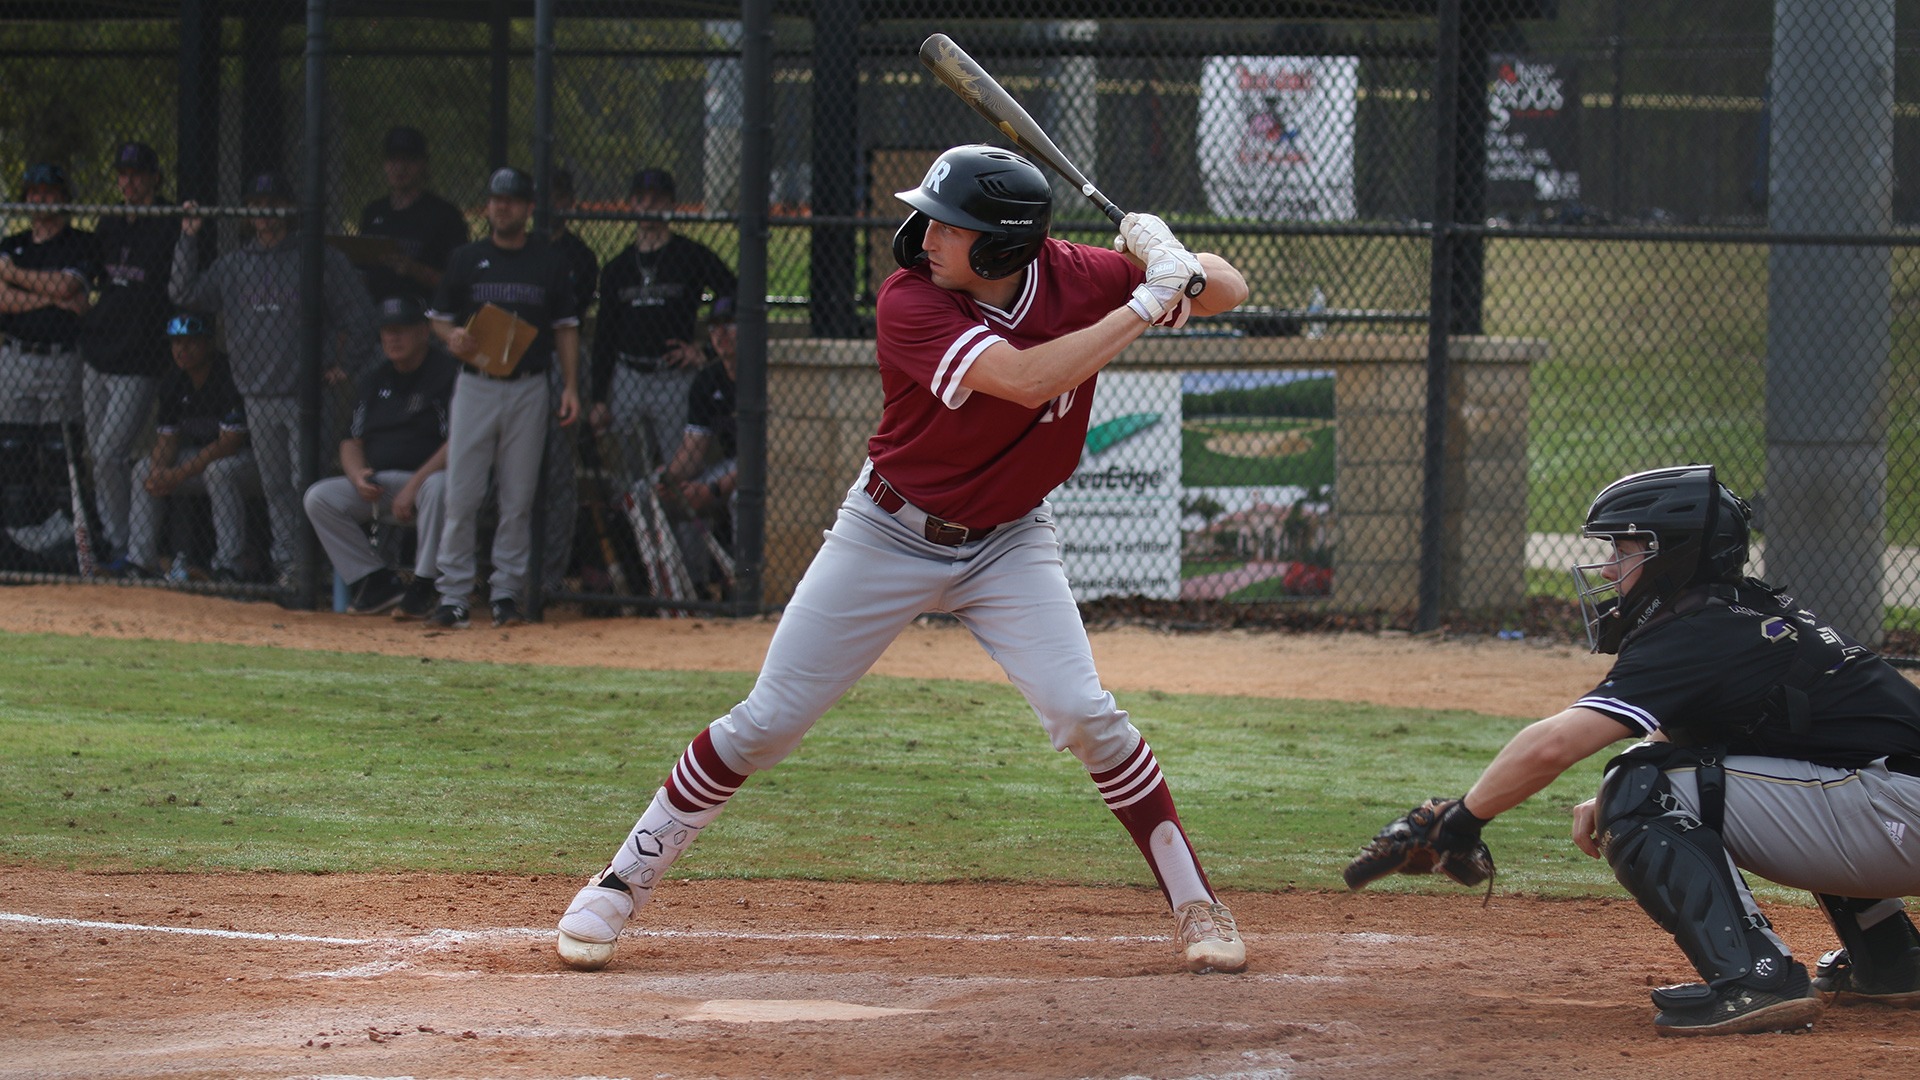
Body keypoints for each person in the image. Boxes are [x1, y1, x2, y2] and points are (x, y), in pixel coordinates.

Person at [556, 145, 1253, 975]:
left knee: (1083, 711)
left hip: (1008, 539)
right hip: (886, 532)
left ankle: (1197, 904)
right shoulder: (909, 301)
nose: (923, 234)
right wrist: (1145, 299)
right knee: (768, 721)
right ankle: (620, 883)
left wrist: (1173, 256)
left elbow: (1231, 287)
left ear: (1001, 246)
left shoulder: (1080, 277)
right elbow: (1028, 380)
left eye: (949, 225)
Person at [1410, 464, 1920, 1036]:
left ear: (1670, 554)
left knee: (1639, 785)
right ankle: (1892, 959)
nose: (1607, 568)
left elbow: (1556, 743)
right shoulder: (1734, 613)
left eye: (1623, 549)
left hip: (1898, 812)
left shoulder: (1698, 629)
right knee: (1677, 775)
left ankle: (1755, 979)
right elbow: (1711, 739)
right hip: (1898, 804)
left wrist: (1462, 817)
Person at [171, 170, 378, 586]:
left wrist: (346, 366)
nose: (264, 216)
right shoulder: (235, 264)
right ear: (246, 212)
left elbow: (361, 316)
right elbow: (183, 293)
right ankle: (289, 565)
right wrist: (188, 237)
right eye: (256, 208)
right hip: (256, 394)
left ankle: (317, 563)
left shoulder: (315, 258)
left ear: (289, 208)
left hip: (305, 394)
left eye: (272, 207)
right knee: (276, 486)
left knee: (309, 481)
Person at [427, 166, 581, 630]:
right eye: (496, 199)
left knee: (518, 496)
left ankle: (505, 595)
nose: (502, 206)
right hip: (475, 385)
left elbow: (567, 328)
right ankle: (453, 595)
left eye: (512, 200)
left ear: (529, 208)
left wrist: (570, 385)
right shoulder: (467, 258)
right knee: (462, 493)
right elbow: (439, 317)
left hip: (529, 386)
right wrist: (451, 336)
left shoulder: (547, 261)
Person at [302, 295, 456, 616]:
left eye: (401, 330)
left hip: (431, 483)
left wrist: (414, 486)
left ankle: (424, 586)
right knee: (319, 498)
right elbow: (351, 441)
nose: (392, 338)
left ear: (423, 332)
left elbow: (457, 444)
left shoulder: (446, 374)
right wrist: (358, 475)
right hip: (383, 486)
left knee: (438, 488)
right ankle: (375, 582)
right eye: (386, 331)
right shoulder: (375, 379)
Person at [588, 166, 735, 474]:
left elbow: (734, 293)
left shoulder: (689, 255)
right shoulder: (618, 268)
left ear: (670, 205)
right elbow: (604, 335)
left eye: (657, 199)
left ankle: (681, 523)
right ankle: (634, 522)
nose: (648, 206)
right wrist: (599, 397)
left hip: (673, 377)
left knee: (679, 468)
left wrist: (706, 349)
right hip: (628, 373)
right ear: (631, 204)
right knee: (623, 471)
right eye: (641, 199)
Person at [82, 143, 178, 572]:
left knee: (109, 453)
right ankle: (114, 543)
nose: (128, 182)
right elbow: (93, 276)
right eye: (123, 174)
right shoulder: (110, 222)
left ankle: (123, 545)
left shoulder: (169, 222)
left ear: (155, 177)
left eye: (137, 174)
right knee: (98, 455)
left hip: (139, 358)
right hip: (99, 352)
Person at [0, 162, 96, 531]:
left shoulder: (79, 243)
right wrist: (52, 298)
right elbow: (4, 300)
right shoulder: (13, 243)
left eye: (50, 193)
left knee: (61, 454)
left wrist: (16, 278)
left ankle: (67, 542)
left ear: (63, 198)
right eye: (34, 194)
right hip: (15, 356)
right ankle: (16, 541)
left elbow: (67, 287)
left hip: (62, 359)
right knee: (13, 452)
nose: (41, 200)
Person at [125, 314, 254, 581]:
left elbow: (229, 444)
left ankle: (229, 567)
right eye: (176, 342)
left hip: (246, 461)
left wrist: (178, 474)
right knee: (142, 470)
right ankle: (140, 563)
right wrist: (159, 469)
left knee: (220, 471)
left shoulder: (227, 374)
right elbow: (167, 440)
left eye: (191, 342)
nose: (182, 350)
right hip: (199, 463)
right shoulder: (173, 380)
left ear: (208, 343)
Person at [539, 168, 599, 598]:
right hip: (518, 369)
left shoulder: (579, 255)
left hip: (564, 367)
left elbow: (570, 321)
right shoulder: (519, 249)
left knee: (560, 476)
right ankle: (514, 576)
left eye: (557, 193)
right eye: (543, 195)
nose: (550, 203)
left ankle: (549, 575)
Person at [658, 293, 738, 597]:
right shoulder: (708, 379)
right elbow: (693, 451)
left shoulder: (765, 375)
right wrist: (671, 479)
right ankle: (693, 588)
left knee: (740, 498)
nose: (720, 334)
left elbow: (762, 459)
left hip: (757, 472)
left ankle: (742, 589)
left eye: (730, 325)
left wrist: (713, 489)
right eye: (715, 326)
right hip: (725, 468)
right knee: (666, 495)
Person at [355, 126, 471, 305]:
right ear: (385, 164)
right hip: (375, 313)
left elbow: (459, 284)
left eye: (409, 160)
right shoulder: (374, 212)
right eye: (393, 160)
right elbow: (360, 271)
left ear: (423, 163)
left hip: (422, 315)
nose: (400, 168)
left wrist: (414, 270)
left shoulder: (444, 215)